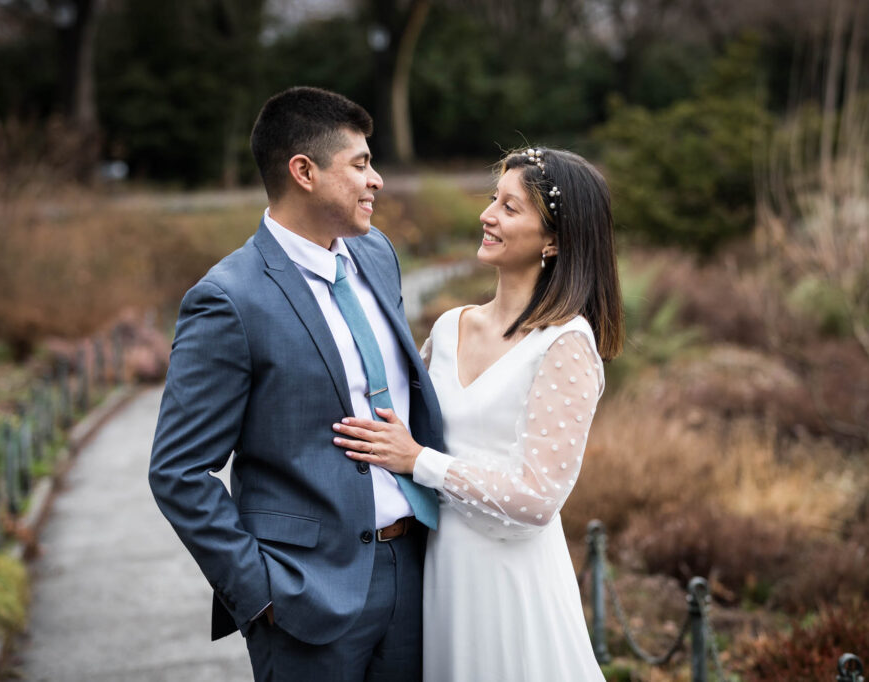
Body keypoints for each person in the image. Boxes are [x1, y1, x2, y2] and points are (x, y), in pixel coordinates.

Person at [148, 86, 446, 681]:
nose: (377, 180)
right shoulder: (229, 299)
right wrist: (260, 593)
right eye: (360, 164)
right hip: (305, 597)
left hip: (416, 568)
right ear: (303, 171)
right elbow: (178, 471)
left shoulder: (377, 254)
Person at [332, 147, 624, 681]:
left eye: (510, 208)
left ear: (554, 240)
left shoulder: (565, 344)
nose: (487, 215)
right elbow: (389, 417)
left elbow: (538, 497)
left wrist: (421, 462)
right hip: (442, 572)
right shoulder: (448, 328)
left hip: (512, 581)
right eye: (494, 199)